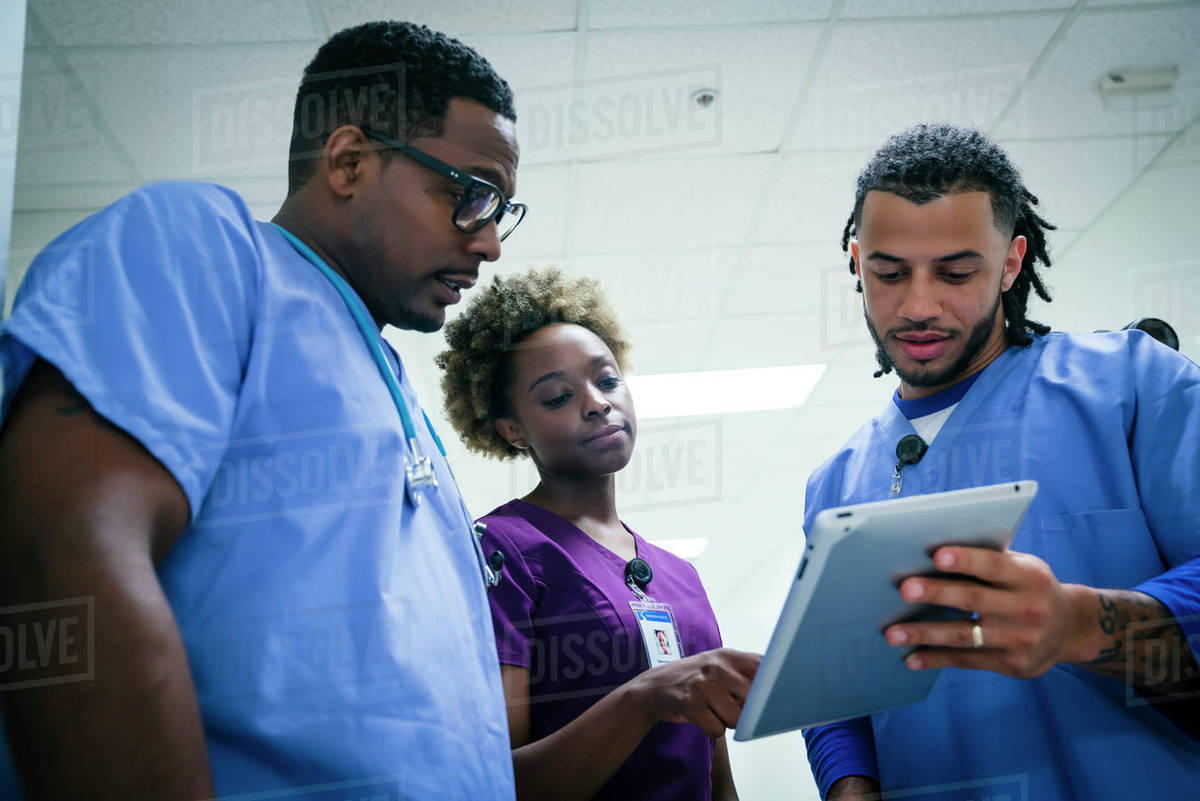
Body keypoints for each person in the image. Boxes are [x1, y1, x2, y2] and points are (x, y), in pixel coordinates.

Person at [0, 21, 525, 800]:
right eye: (472, 196)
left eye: (502, 212)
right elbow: (58, 550)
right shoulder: (208, 248)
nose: (489, 245)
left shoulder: (391, 388)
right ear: (349, 160)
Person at [803, 123, 1200, 800]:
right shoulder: (837, 480)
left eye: (957, 272)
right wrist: (850, 784)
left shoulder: (1129, 386)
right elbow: (831, 683)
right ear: (854, 259)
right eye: (889, 272)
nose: (919, 305)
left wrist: (1077, 624)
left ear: (1013, 261)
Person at [436, 268, 760, 801]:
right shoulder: (500, 551)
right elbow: (496, 783)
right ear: (512, 429)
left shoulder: (681, 576)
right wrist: (644, 698)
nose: (596, 403)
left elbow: (713, 769)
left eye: (607, 380)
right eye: (558, 397)